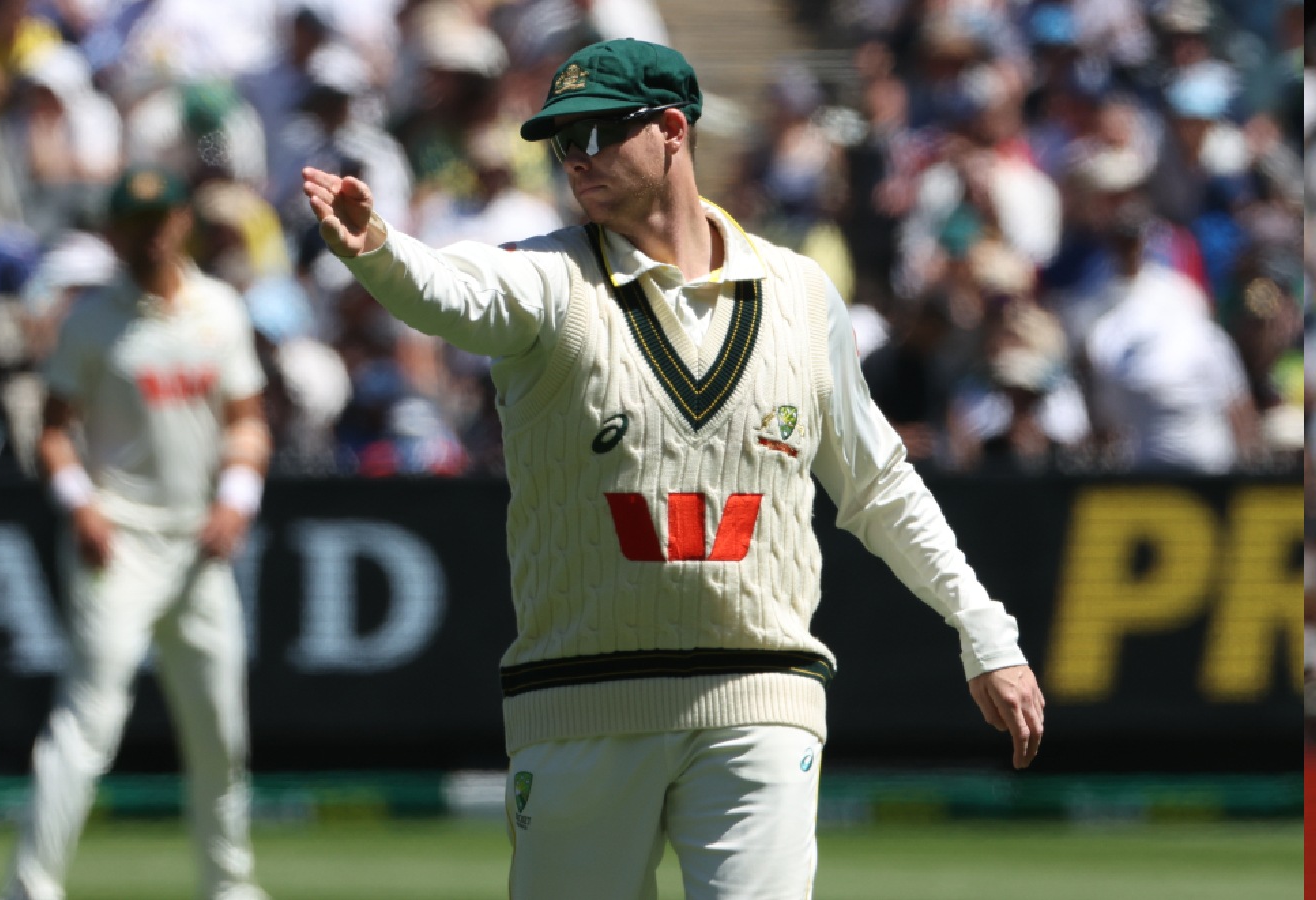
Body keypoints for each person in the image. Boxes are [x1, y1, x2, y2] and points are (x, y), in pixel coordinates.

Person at [303, 38, 1044, 900]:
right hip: (579, 700)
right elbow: (454, 290)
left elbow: (879, 483)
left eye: (596, 134)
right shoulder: (550, 280)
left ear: (670, 130)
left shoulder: (800, 295)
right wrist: (380, 249)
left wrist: (983, 629)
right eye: (561, 141)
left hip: (761, 693)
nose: (575, 159)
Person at [0, 166, 273, 900]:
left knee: (219, 730)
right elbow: (53, 432)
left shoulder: (220, 310)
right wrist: (80, 505)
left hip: (199, 548)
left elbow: (247, 422)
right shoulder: (91, 321)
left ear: (181, 223)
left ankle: (229, 886)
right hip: (116, 543)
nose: (150, 235)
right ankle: (30, 887)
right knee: (87, 724)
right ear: (115, 232)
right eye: (134, 222)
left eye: (160, 219)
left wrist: (236, 500)